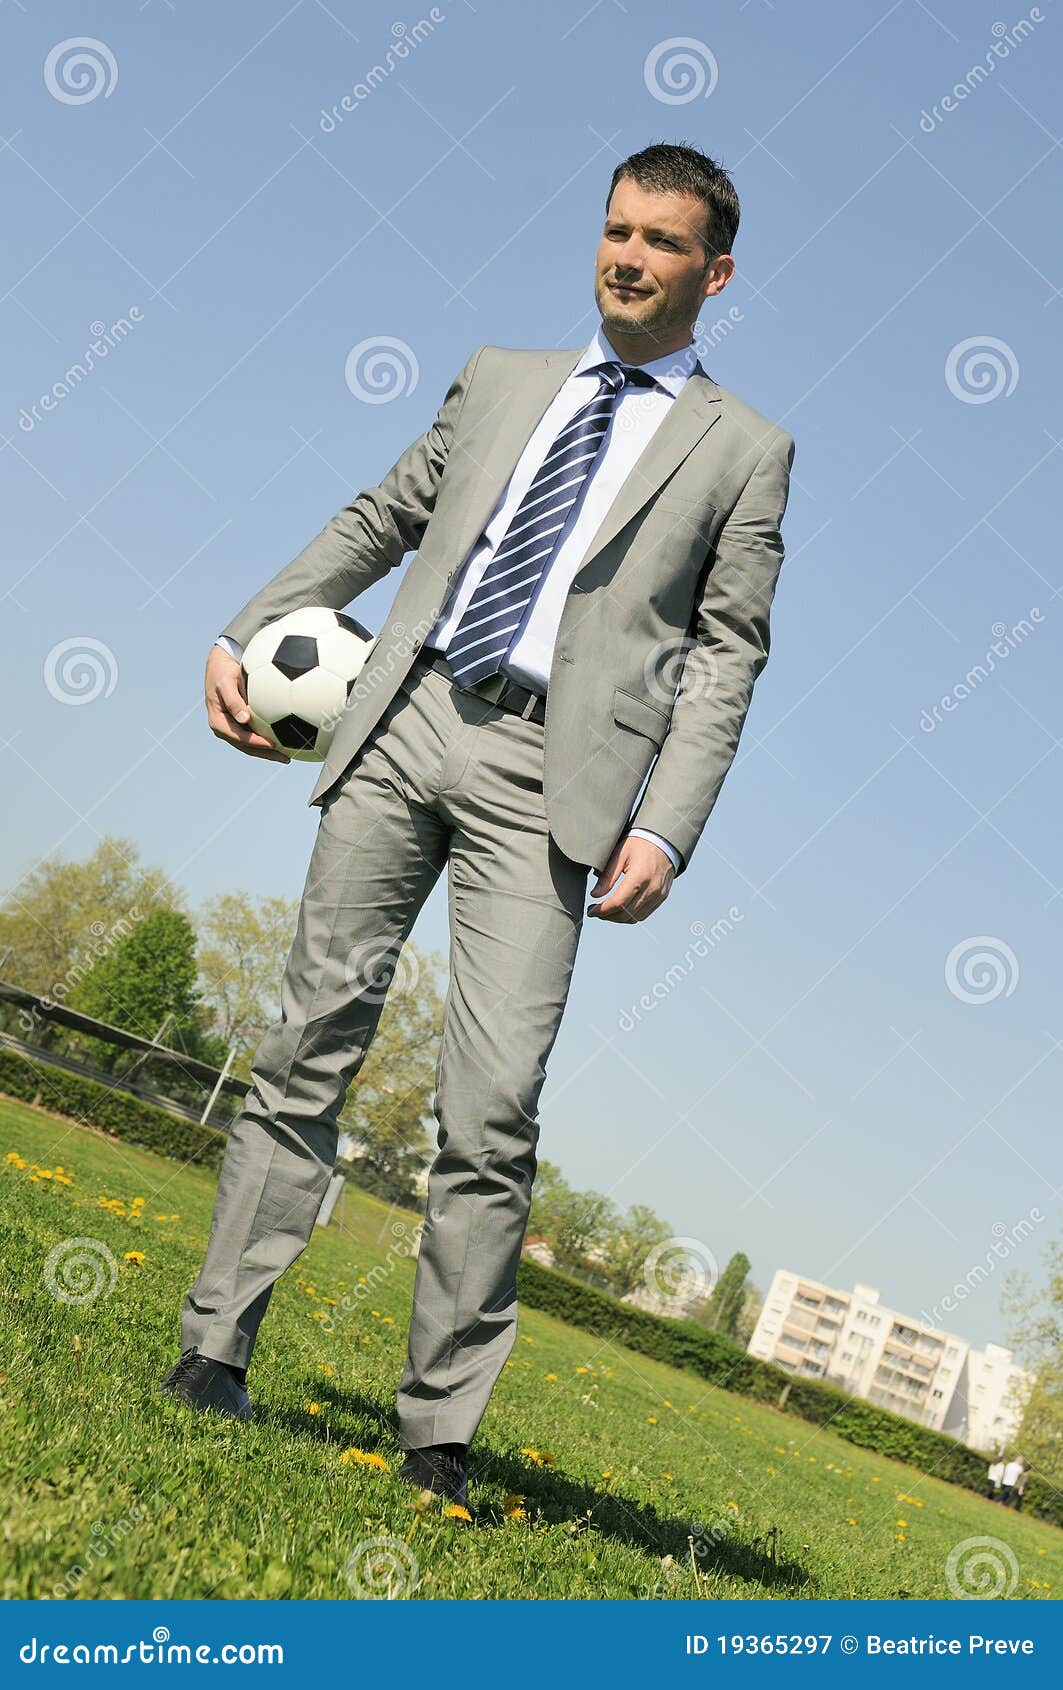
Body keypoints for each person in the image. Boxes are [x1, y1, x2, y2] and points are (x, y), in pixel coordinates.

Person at [161, 142, 795, 1508]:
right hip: (402, 720)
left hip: (552, 786)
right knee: (310, 1037)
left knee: (494, 1107)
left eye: (663, 242)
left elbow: (727, 653)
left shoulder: (746, 451)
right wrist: (249, 623)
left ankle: (439, 1431)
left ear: (718, 273)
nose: (629, 257)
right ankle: (213, 1351)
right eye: (617, 230)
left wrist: (668, 827)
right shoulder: (503, 375)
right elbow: (386, 512)